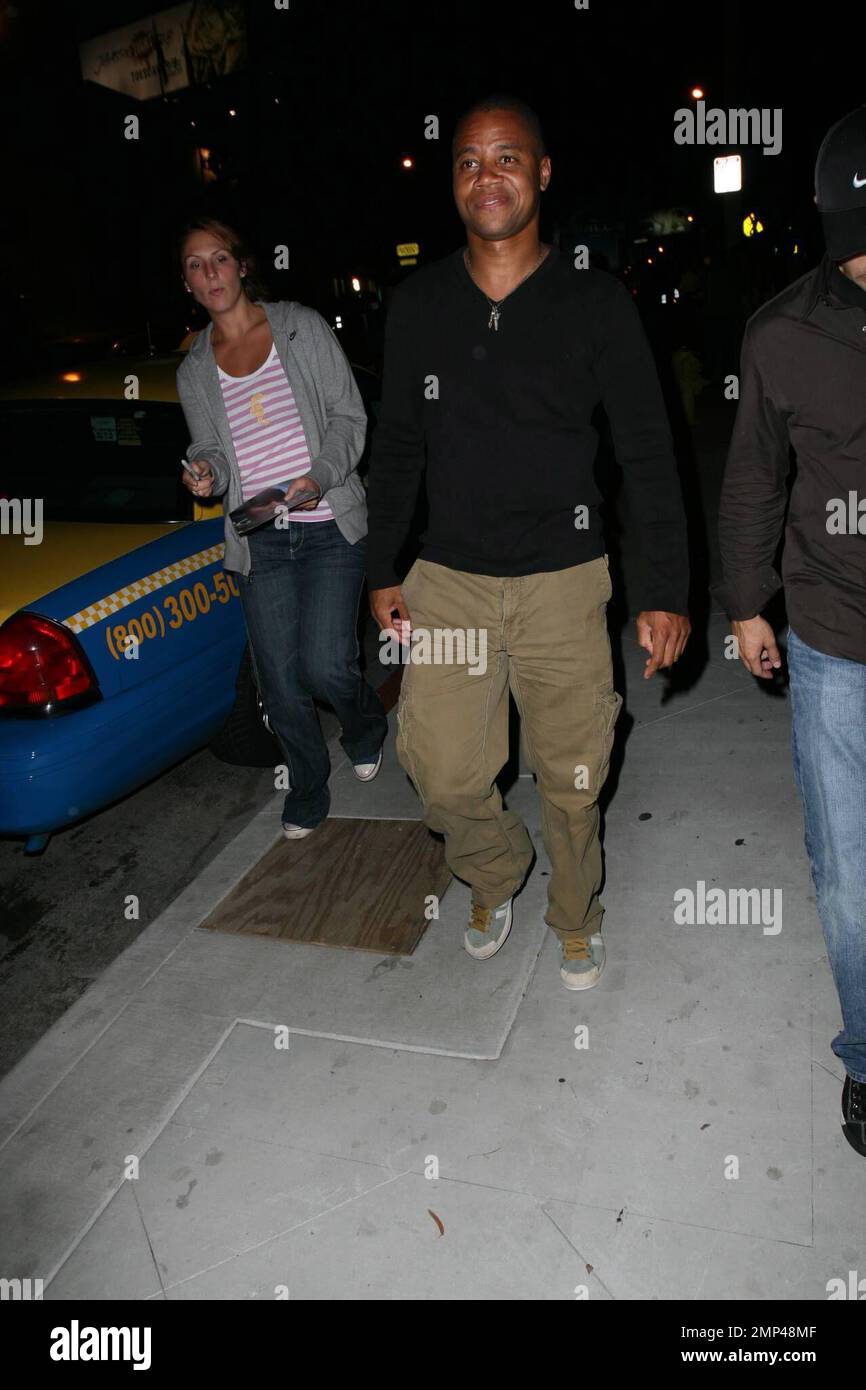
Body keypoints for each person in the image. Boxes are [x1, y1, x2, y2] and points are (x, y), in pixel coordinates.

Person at [365, 97, 691, 989]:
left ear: (542, 173)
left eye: (508, 157)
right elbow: (396, 447)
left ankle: (575, 913)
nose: (488, 175)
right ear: (453, 182)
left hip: (563, 578)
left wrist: (664, 586)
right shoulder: (420, 303)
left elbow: (648, 453)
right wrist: (380, 568)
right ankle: (495, 872)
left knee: (575, 771)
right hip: (450, 579)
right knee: (439, 768)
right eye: (469, 161)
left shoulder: (595, 302)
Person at [717, 106, 866, 1159]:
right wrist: (742, 605)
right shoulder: (780, 335)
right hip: (830, 639)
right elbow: (751, 480)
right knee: (848, 873)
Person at [176, 217, 387, 837]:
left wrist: (319, 476)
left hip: (327, 524)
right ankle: (308, 784)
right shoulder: (192, 369)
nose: (209, 272)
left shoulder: (300, 326)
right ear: (186, 282)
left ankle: (364, 722)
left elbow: (350, 416)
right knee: (279, 678)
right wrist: (205, 475)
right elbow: (211, 448)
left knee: (327, 665)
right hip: (258, 539)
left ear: (242, 265)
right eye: (195, 264)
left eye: (219, 258)